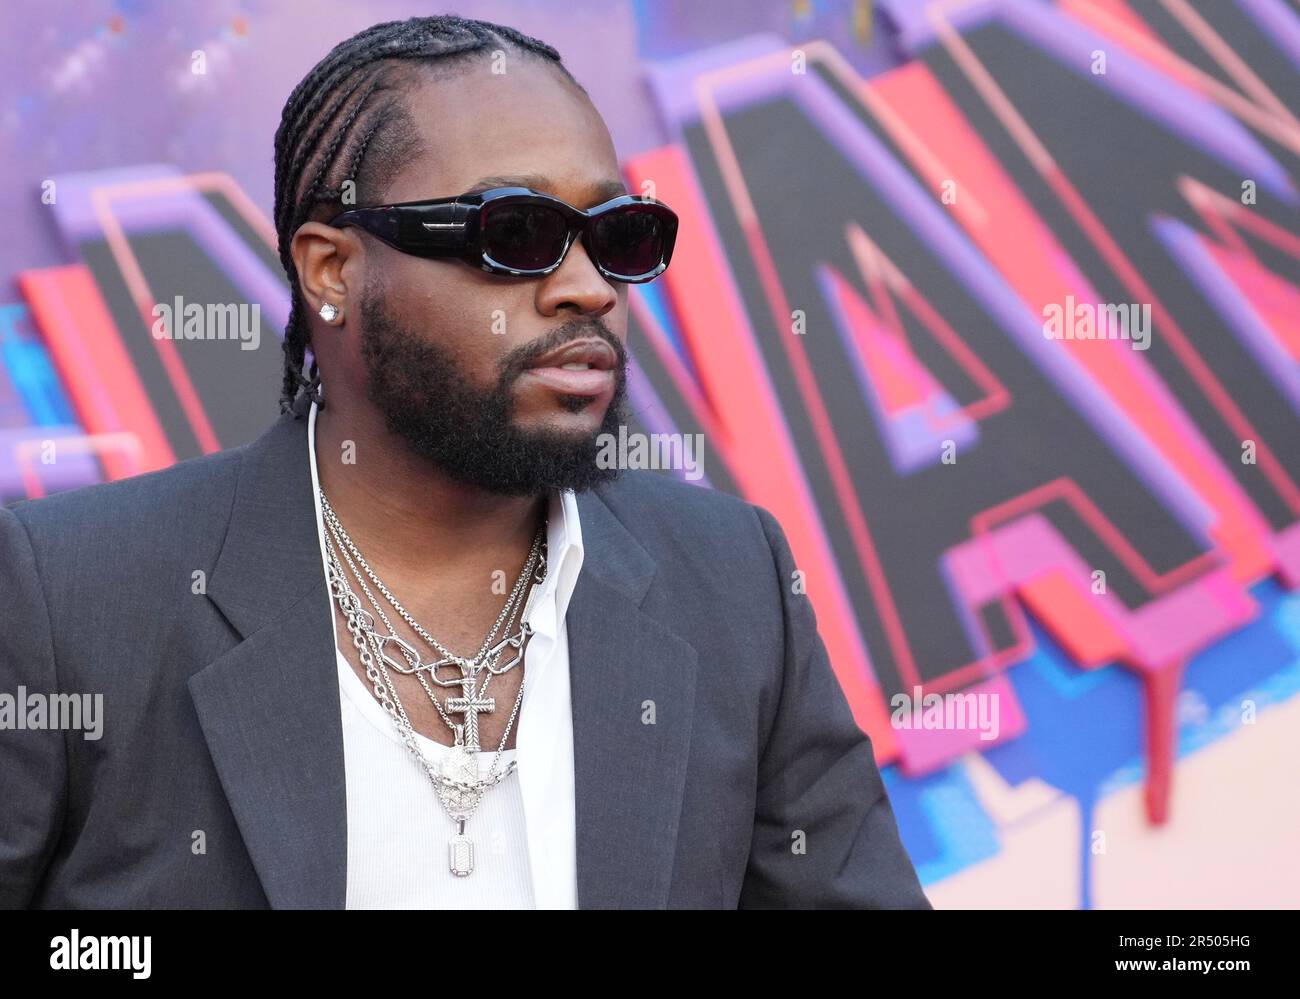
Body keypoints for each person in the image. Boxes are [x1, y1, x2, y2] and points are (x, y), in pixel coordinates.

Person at [0, 14, 930, 910]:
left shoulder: (730, 581)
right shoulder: (72, 599)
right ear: (332, 270)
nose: (587, 288)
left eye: (620, 238)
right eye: (517, 236)